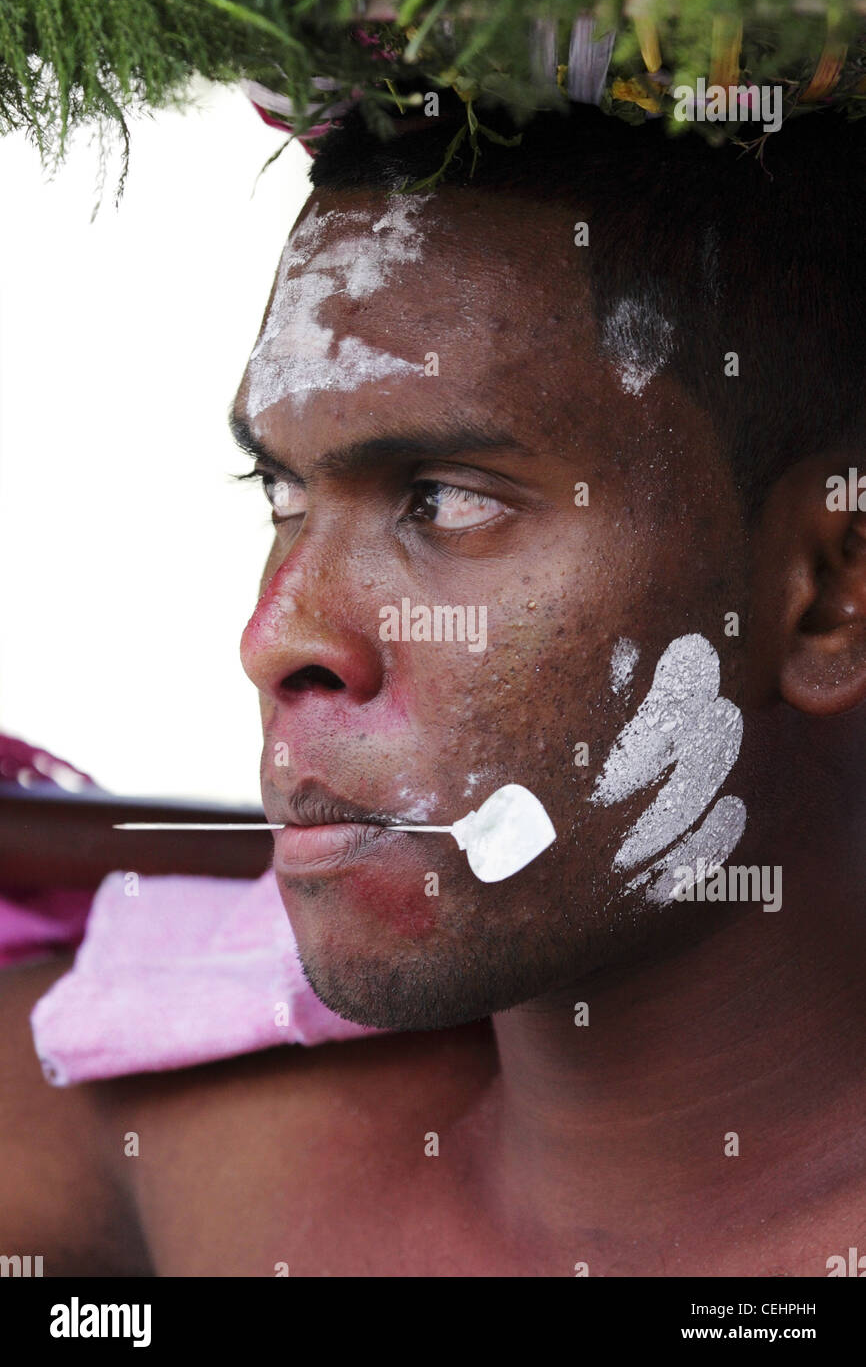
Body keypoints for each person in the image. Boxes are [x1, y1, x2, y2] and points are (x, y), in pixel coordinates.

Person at [2, 94, 865, 1277]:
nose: (277, 637)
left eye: (445, 499)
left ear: (822, 590)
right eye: (283, 497)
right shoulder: (194, 1148)